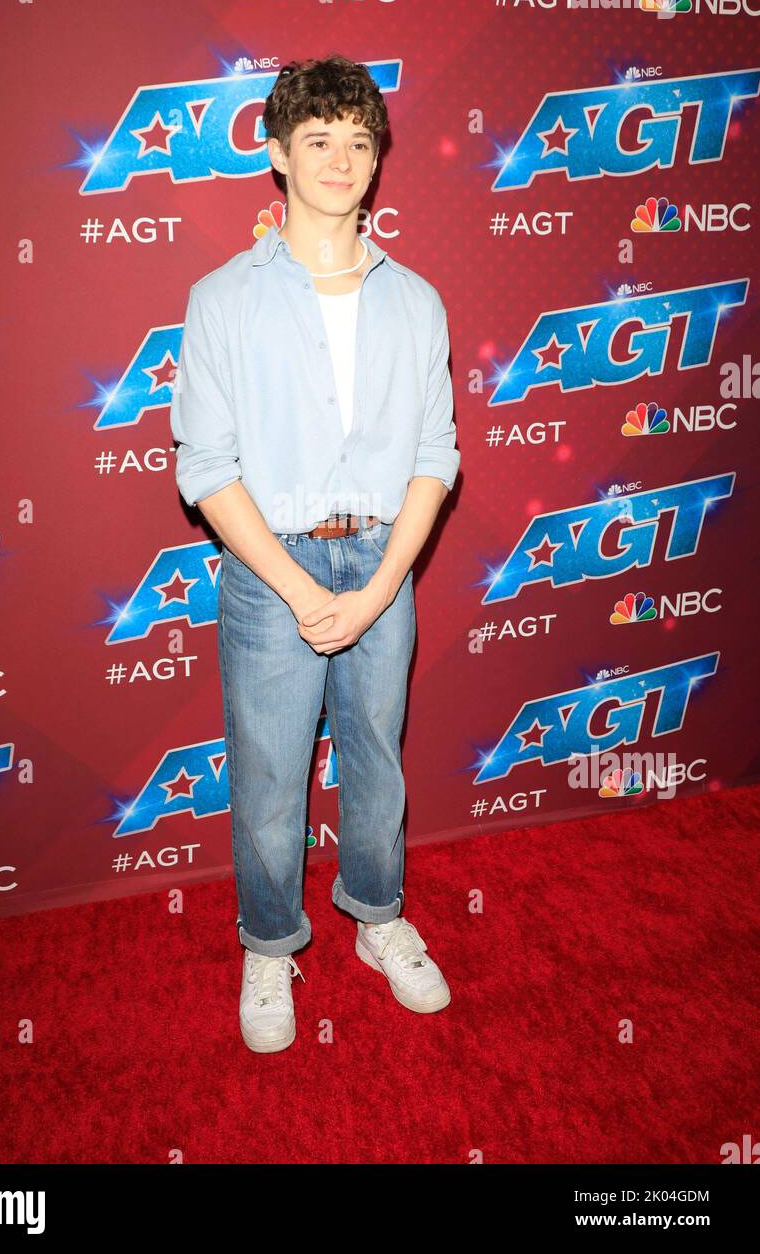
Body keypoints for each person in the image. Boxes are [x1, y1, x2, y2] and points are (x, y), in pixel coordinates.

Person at [170, 54, 461, 1053]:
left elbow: (433, 458)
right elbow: (205, 468)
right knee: (267, 774)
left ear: (377, 159)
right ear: (276, 154)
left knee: (377, 763)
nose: (341, 157)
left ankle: (377, 920)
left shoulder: (416, 302)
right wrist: (297, 589)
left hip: (384, 560)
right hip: (267, 575)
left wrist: (381, 585)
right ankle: (267, 944)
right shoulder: (221, 300)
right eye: (319, 138)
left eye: (358, 139)